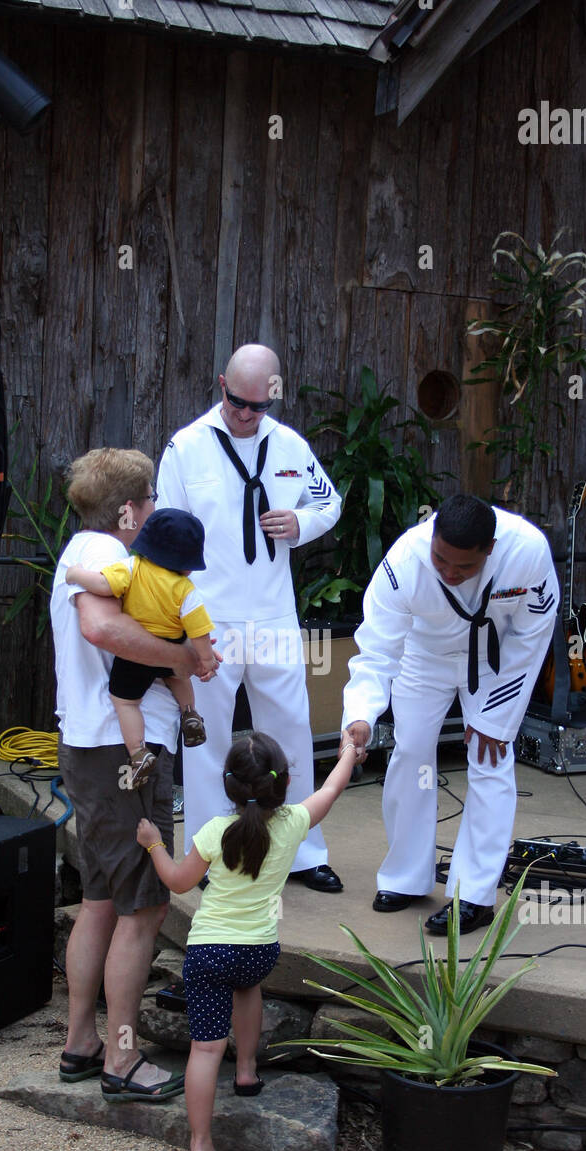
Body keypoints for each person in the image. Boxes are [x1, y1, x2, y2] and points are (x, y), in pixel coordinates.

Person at [49, 446, 218, 1101]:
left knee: (99, 901)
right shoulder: (107, 556)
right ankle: (122, 1062)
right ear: (127, 510)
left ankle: (81, 1044)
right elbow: (101, 629)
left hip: (92, 749)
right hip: (125, 754)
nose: (152, 511)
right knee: (144, 909)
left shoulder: (88, 554)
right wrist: (187, 654)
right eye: (147, 500)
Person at [155, 343, 345, 892]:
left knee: (290, 729)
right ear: (221, 385)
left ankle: (305, 851)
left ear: (273, 396)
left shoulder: (289, 445)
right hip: (209, 617)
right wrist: (188, 627)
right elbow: (165, 538)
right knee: (208, 737)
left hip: (273, 614)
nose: (245, 414)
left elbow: (328, 504)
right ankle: (212, 853)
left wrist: (300, 524)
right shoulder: (186, 448)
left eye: (257, 406)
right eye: (237, 401)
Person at [137, 733, 361, 1151]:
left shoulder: (215, 833)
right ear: (287, 781)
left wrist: (152, 844)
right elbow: (332, 790)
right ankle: (246, 1073)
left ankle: (202, 1150)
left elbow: (179, 883)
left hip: (208, 954)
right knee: (249, 988)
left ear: (227, 785)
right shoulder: (295, 821)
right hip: (258, 953)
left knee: (205, 1048)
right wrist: (348, 754)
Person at [341, 493, 559, 934]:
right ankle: (406, 877)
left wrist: (498, 718)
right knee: (412, 756)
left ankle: (473, 896)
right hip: (423, 657)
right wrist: (361, 714)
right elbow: (377, 649)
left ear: (491, 549)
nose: (449, 572)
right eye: (441, 559)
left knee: (491, 761)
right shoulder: (404, 561)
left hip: (495, 659)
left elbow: (532, 636)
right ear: (433, 535)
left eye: (464, 567)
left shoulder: (528, 550)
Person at [65, 507, 216, 789]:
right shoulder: (186, 589)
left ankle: (138, 752)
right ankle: (190, 713)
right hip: (171, 646)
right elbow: (199, 631)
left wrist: (75, 574)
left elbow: (101, 584)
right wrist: (205, 660)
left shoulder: (132, 568)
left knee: (125, 701)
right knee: (179, 677)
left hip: (138, 652)